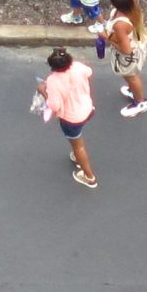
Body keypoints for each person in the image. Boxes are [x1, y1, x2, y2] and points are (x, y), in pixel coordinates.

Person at [34, 48, 98, 189]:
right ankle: (78, 156)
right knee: (79, 139)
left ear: (52, 67)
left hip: (71, 118)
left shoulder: (53, 81)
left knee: (78, 146)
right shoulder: (77, 67)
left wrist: (43, 92)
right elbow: (89, 72)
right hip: (86, 108)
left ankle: (89, 177)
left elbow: (55, 105)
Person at [98, 0, 147, 117]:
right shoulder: (133, 4)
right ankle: (134, 91)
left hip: (129, 54)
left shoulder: (120, 25)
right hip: (139, 42)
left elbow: (126, 50)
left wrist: (106, 37)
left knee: (131, 76)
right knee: (132, 76)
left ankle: (140, 102)